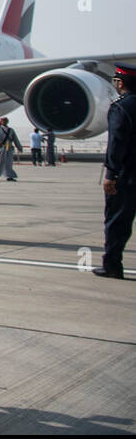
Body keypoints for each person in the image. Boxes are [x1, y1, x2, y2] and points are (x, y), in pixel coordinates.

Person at [95, 64, 135, 278]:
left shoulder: (122, 107)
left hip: (127, 177)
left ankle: (112, 266)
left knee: (117, 222)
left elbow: (117, 143)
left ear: (120, 83)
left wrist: (111, 174)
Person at [0, 117, 22, 181]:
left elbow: (15, 139)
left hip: (9, 148)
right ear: (1, 122)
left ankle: (9, 176)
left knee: (9, 163)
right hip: (1, 148)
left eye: (6, 121)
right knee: (0, 162)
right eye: (3, 121)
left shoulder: (11, 130)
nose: (5, 122)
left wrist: (19, 147)